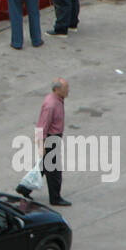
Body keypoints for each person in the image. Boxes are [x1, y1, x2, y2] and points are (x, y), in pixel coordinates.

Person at [36, 78, 72, 206]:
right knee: (54, 171)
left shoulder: (58, 100)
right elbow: (42, 126)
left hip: (54, 137)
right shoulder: (51, 105)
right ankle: (55, 198)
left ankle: (24, 187)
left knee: (45, 166)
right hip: (51, 139)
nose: (68, 90)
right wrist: (42, 145)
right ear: (57, 90)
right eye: (65, 88)